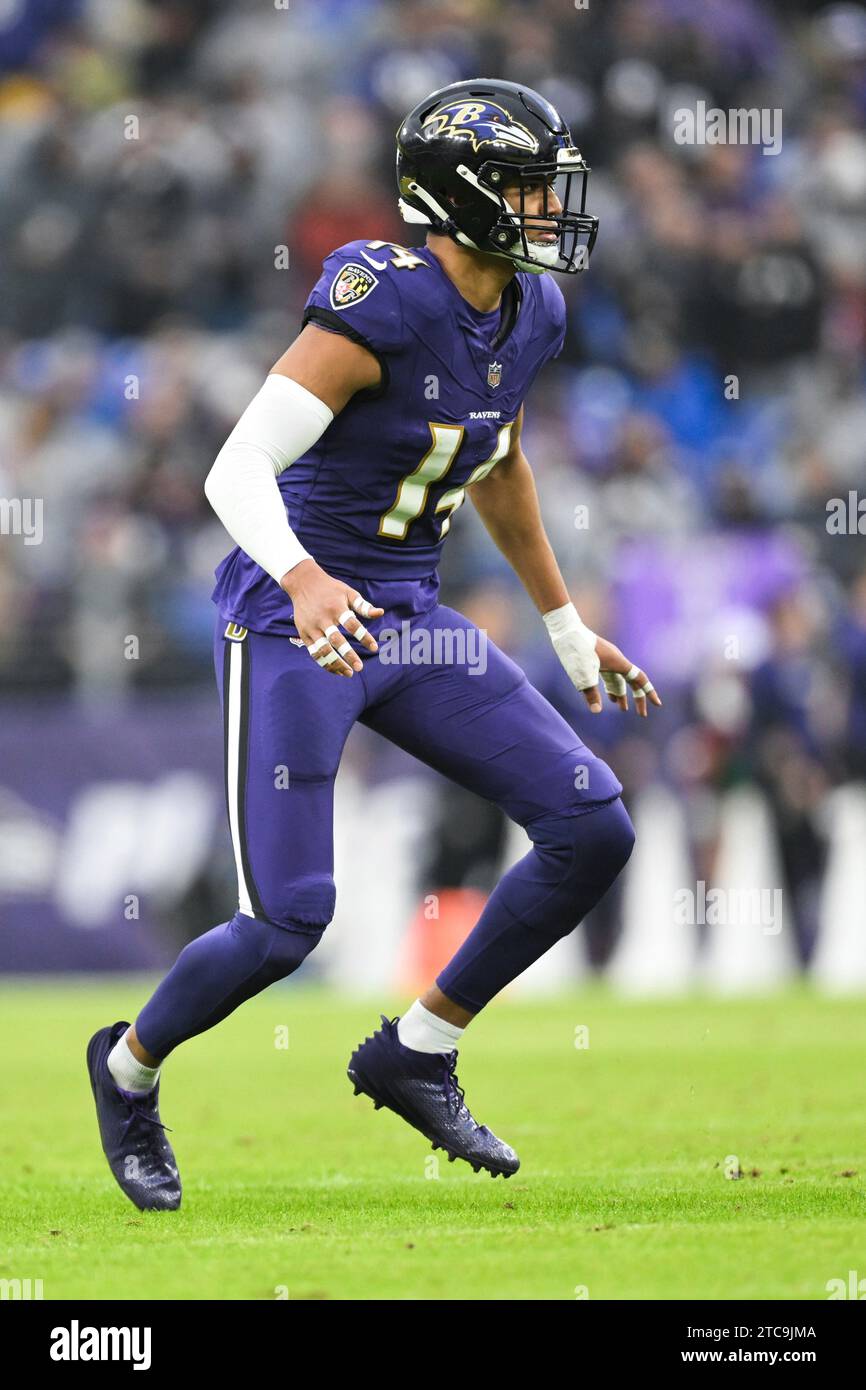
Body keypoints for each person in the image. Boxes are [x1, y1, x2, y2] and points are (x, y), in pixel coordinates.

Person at [87, 78, 661, 1209]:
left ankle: (418, 1049)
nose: (547, 205)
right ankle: (125, 1069)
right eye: (524, 185)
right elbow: (233, 466)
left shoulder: (530, 310)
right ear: (458, 198)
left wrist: (564, 625)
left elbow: (494, 462)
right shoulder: (380, 299)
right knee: (285, 922)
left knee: (590, 824)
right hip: (295, 619)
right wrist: (300, 579)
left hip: (410, 620)